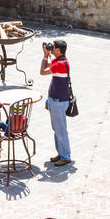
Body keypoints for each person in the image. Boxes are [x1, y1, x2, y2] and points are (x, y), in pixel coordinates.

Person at [40, 39, 73, 167]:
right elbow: (48, 65)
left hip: (59, 101)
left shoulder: (61, 63)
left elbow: (42, 72)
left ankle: (65, 156)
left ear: (58, 50)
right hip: (55, 100)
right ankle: (61, 153)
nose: (51, 48)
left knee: (61, 130)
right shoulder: (60, 60)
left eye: (53, 47)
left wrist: (45, 55)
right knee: (57, 129)